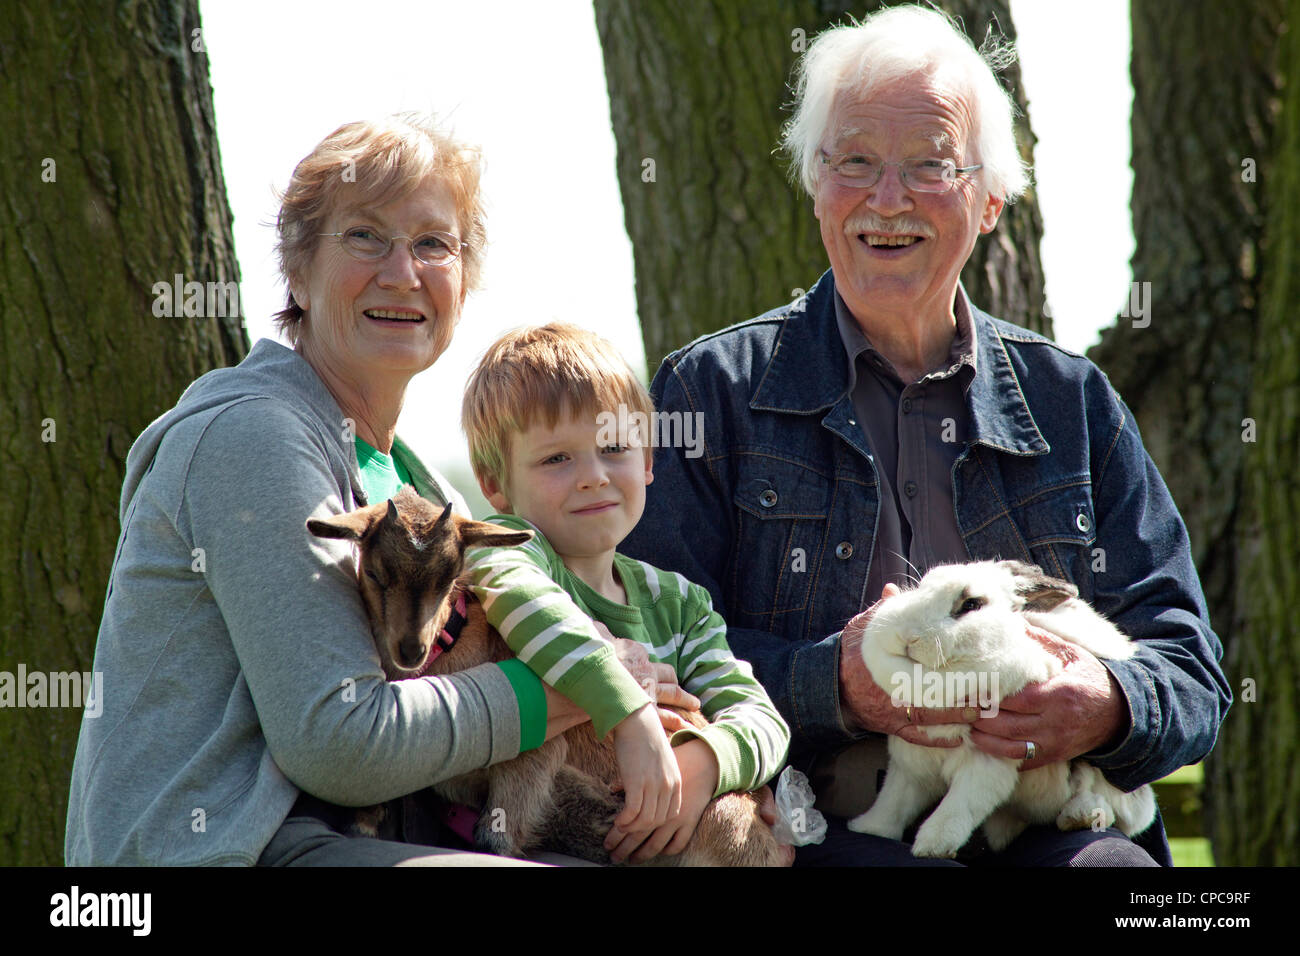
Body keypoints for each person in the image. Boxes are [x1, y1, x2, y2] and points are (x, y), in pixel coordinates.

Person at [620, 5, 1231, 867]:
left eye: (928, 167)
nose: (887, 199)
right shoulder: (710, 394)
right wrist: (835, 684)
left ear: (989, 203)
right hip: (813, 828)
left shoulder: (1075, 405)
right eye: (856, 163)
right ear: (816, 186)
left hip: (1045, 818)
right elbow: (651, 652)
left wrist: (1106, 701)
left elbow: (1191, 669)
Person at [64, 115, 685, 866]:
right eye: (365, 237)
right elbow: (341, 741)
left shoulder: (409, 478)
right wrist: (576, 691)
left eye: (432, 244)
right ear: (296, 267)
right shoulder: (253, 435)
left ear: (464, 278)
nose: (402, 272)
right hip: (230, 847)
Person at [460, 323, 791, 863]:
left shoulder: (681, 604)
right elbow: (524, 600)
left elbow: (760, 719)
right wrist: (630, 715)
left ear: (649, 459)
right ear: (495, 485)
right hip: (549, 834)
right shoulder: (510, 559)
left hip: (674, 834)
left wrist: (704, 766)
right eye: (556, 459)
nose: (593, 476)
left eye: (614, 447)